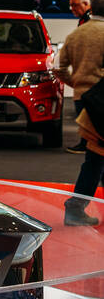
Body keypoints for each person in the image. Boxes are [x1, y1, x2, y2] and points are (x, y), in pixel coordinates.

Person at [59, 0, 104, 155]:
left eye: (74, 5)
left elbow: (59, 67)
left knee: (94, 153)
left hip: (82, 93)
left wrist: (74, 82)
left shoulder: (76, 34)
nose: (72, 8)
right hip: (100, 94)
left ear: (89, 6)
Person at [65, 74, 104, 226]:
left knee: (94, 164)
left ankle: (75, 209)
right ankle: (75, 209)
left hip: (95, 113)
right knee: (94, 165)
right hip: (99, 121)